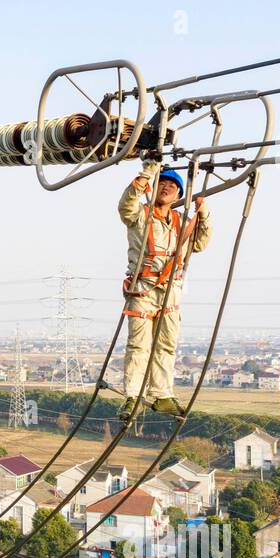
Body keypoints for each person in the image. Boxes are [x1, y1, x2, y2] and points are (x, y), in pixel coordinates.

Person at [116, 160, 211, 421]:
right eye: (163, 184)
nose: (167, 188)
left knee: (166, 344)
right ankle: (133, 395)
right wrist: (147, 173)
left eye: (172, 186)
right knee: (139, 345)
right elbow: (126, 205)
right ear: (154, 188)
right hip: (144, 289)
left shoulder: (182, 222)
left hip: (171, 291)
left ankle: (161, 394)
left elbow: (201, 243)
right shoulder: (140, 215)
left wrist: (204, 214)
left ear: (179, 195)